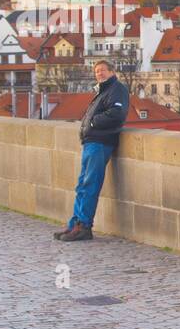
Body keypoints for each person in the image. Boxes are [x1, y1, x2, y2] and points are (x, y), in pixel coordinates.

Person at [55, 60, 130, 243]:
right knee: (82, 185)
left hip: (100, 142)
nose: (100, 74)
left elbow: (117, 114)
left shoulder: (117, 89)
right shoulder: (103, 91)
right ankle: (75, 223)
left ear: (112, 72)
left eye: (103, 70)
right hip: (91, 142)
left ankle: (84, 226)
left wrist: (93, 122)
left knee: (90, 185)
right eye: (97, 71)